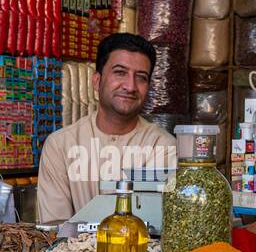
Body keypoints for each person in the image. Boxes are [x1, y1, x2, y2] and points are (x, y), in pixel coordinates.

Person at [36, 33, 177, 224]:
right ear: (96, 81)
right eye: (120, 72)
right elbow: (55, 226)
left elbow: (162, 224)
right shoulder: (61, 146)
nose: (130, 86)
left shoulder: (163, 147)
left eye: (141, 77)